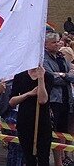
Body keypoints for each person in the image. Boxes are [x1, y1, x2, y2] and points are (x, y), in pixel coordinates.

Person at [9, 66, 52, 166]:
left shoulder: (48, 76)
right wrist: (28, 94)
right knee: (28, 158)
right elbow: (11, 102)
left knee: (43, 158)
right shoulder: (20, 76)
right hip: (24, 121)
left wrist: (41, 79)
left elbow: (42, 100)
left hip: (42, 122)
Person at [43, 31, 72, 166]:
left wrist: (63, 76)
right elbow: (50, 78)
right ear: (46, 44)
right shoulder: (44, 59)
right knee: (55, 132)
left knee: (64, 131)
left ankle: (65, 158)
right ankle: (57, 161)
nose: (57, 45)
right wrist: (66, 77)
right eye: (53, 43)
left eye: (57, 42)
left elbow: (72, 75)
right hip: (54, 99)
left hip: (66, 98)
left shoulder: (61, 56)